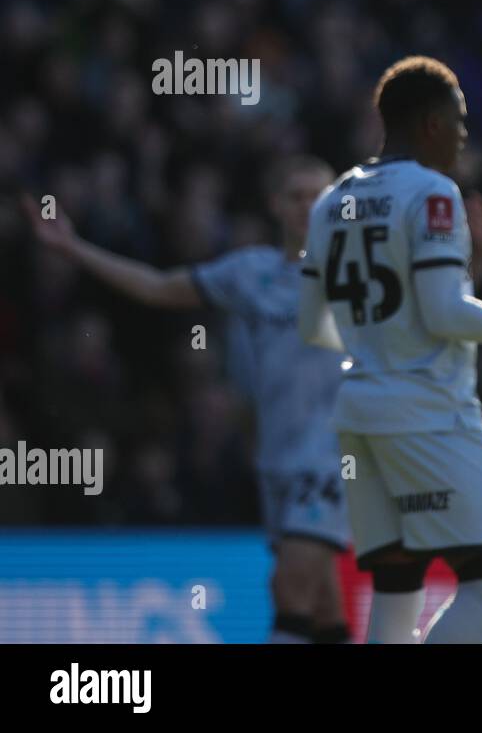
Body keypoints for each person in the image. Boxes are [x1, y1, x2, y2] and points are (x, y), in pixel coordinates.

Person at [298, 55, 482, 644]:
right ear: (430, 122)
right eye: (458, 120)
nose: (463, 135)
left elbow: (314, 326)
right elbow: (444, 314)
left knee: (396, 589)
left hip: (359, 412)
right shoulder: (433, 193)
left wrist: (382, 343)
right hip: (430, 412)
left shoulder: (331, 202)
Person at [24, 155, 352, 643]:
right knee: (321, 603)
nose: (307, 207)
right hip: (276, 460)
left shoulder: (358, 276)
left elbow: (435, 300)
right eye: (296, 196)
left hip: (333, 457)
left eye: (319, 197)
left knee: (288, 585)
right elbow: (159, 288)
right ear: (274, 204)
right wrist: (74, 248)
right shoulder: (250, 273)